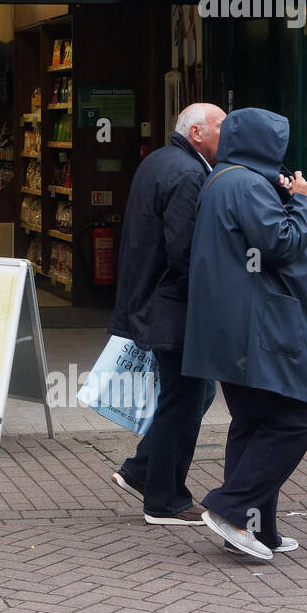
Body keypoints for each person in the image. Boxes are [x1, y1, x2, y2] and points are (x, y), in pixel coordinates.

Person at [183, 107, 307, 561]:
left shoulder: (224, 178)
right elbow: (281, 243)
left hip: (234, 328)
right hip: (260, 327)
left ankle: (256, 529)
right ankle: (231, 509)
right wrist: (304, 200)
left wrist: (283, 197)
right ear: (268, 145)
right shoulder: (247, 184)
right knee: (295, 419)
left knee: (253, 422)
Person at [107, 102, 225, 525]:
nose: (226, 135)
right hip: (172, 307)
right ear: (196, 133)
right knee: (186, 396)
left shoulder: (160, 160)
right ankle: (165, 499)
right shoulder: (190, 174)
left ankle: (141, 470)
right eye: (220, 127)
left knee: (196, 392)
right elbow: (186, 250)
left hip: (153, 301)